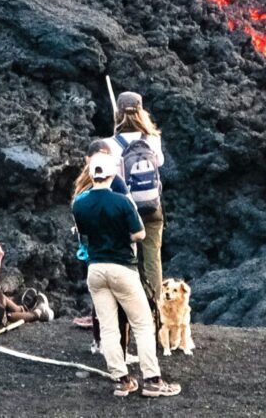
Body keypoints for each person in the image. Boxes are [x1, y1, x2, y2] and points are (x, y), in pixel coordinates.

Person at [74, 152, 180, 397]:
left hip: (95, 270)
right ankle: (152, 380)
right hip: (122, 267)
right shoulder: (123, 202)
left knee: (109, 327)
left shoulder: (79, 202)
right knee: (142, 324)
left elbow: (83, 234)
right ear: (112, 173)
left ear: (91, 175)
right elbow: (139, 234)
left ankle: (122, 380)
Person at [75, 90, 168, 330]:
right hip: (153, 208)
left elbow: (107, 173)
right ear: (141, 111)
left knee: (127, 260)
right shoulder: (153, 139)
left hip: (124, 210)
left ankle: (125, 313)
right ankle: (155, 309)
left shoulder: (110, 144)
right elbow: (159, 163)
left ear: (118, 112)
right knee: (153, 259)